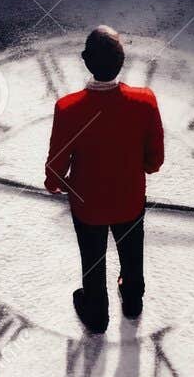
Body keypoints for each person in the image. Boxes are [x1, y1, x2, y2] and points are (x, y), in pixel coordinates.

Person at [44, 26, 165, 334]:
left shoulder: (68, 109)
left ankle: (97, 314)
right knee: (132, 251)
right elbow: (154, 162)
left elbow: (56, 169)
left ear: (86, 60)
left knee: (93, 260)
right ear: (122, 61)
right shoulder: (145, 101)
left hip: (88, 206)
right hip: (130, 199)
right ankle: (133, 299)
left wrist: (56, 184)